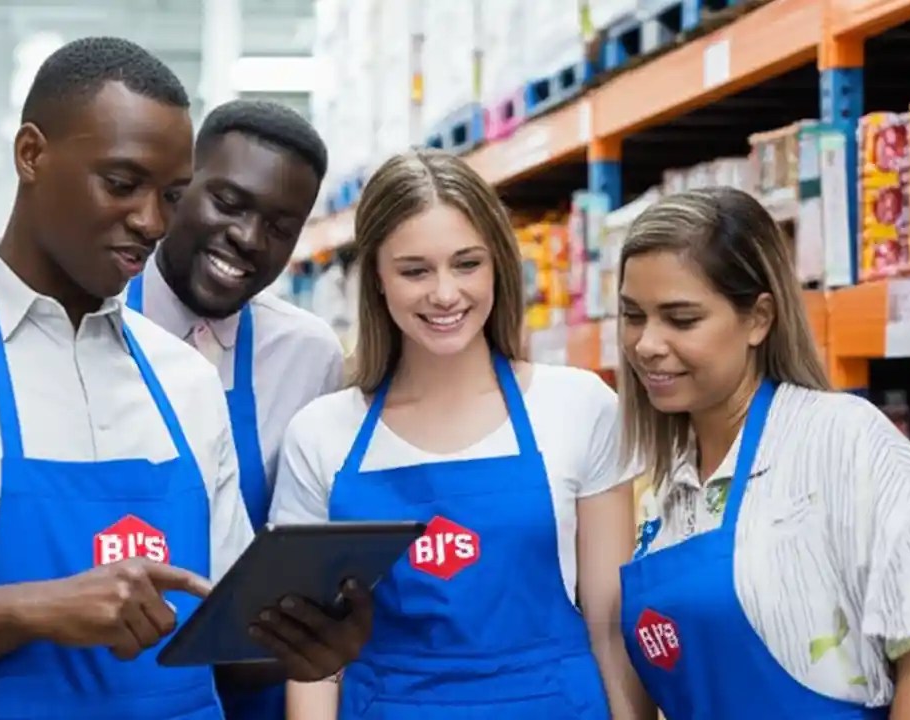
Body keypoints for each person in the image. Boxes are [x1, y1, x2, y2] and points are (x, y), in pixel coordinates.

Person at [0, 37, 373, 720]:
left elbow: (223, 636)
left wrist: (311, 645)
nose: (150, 222)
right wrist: (32, 609)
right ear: (31, 154)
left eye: (171, 196)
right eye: (121, 184)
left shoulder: (185, 382)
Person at [269, 149, 646, 719]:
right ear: (376, 279)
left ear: (498, 265)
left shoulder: (578, 407)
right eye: (415, 271)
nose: (445, 294)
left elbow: (611, 629)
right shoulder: (322, 435)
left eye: (467, 264)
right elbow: (314, 659)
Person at [617, 187, 910, 719]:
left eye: (681, 319)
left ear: (759, 318)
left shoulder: (842, 442)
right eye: (632, 315)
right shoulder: (663, 493)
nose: (646, 344)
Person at [124, 98, 345, 720]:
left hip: (253, 692)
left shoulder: (306, 356)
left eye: (280, 226)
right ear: (180, 188)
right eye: (227, 203)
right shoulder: (92, 325)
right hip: (108, 682)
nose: (248, 238)